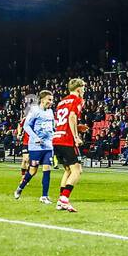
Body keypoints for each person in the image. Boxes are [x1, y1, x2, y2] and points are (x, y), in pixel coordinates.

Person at [52, 78, 87, 213]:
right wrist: (76, 136)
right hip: (67, 140)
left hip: (57, 138)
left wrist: (77, 127)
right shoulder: (77, 100)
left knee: (68, 170)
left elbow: (61, 121)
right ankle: (64, 199)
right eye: (83, 87)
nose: (84, 90)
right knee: (77, 171)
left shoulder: (61, 102)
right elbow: (72, 116)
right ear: (78, 89)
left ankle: (61, 201)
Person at [15, 90, 56, 204]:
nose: (51, 102)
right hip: (36, 146)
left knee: (47, 168)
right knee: (33, 171)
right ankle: (20, 187)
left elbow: (53, 126)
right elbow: (26, 126)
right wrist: (35, 137)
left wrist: (55, 134)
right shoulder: (34, 111)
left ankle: (44, 196)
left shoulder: (50, 112)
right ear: (42, 99)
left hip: (48, 146)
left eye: (52, 100)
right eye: (49, 99)